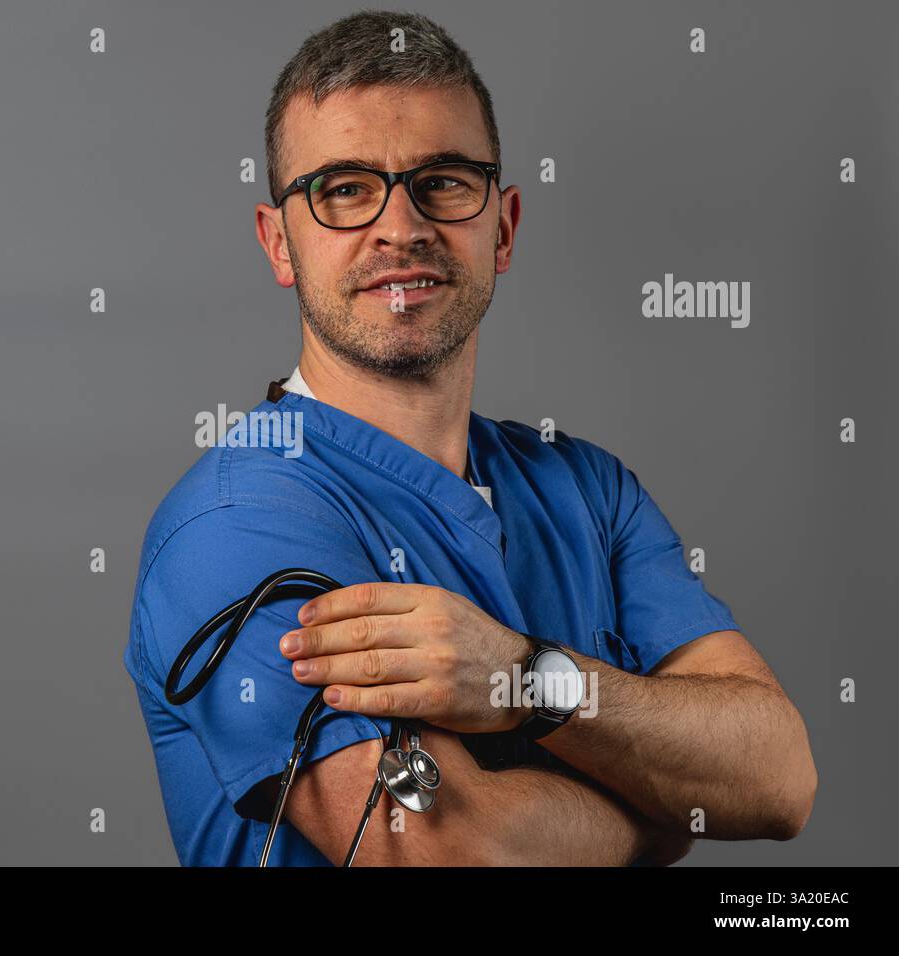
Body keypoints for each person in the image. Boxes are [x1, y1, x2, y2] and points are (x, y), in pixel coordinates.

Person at [123, 9, 816, 866]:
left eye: (443, 181)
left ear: (505, 224)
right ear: (280, 244)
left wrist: (522, 678)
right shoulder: (237, 526)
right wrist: (669, 810)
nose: (400, 227)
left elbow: (779, 777)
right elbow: (457, 852)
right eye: (343, 189)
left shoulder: (588, 490)